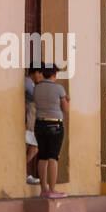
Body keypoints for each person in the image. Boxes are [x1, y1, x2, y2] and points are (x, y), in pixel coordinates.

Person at [33, 64, 69, 198]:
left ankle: (43, 189)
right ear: (54, 75)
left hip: (40, 123)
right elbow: (66, 109)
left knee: (42, 156)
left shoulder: (36, 88)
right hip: (55, 124)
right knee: (53, 157)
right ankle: (52, 189)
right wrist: (66, 100)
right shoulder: (59, 88)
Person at [24, 65, 44, 185]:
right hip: (27, 120)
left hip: (30, 121)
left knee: (34, 147)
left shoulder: (31, 84)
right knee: (31, 146)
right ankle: (22, 172)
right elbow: (36, 98)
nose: (41, 77)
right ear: (36, 72)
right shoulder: (27, 82)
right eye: (40, 74)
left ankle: (22, 171)